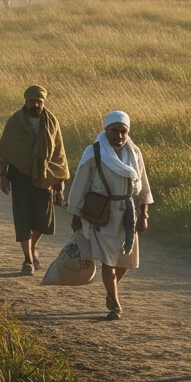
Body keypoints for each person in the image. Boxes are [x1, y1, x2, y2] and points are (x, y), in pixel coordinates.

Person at [67, 111, 153, 320]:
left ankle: (109, 291)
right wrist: (75, 213)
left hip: (127, 213)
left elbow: (143, 185)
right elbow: (80, 184)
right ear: (106, 130)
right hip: (102, 214)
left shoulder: (134, 153)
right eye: (114, 130)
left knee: (124, 261)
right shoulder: (94, 153)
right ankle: (115, 305)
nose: (119, 136)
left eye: (123, 131)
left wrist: (144, 214)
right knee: (108, 261)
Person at [0, 85, 70, 275]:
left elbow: (59, 153)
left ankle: (32, 247)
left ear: (44, 102)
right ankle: (28, 260)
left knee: (42, 222)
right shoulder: (15, 122)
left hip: (44, 177)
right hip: (20, 177)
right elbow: (5, 150)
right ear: (25, 101)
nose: (36, 105)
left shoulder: (52, 122)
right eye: (32, 101)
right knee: (23, 219)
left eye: (39, 101)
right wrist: (3, 175)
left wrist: (59, 180)